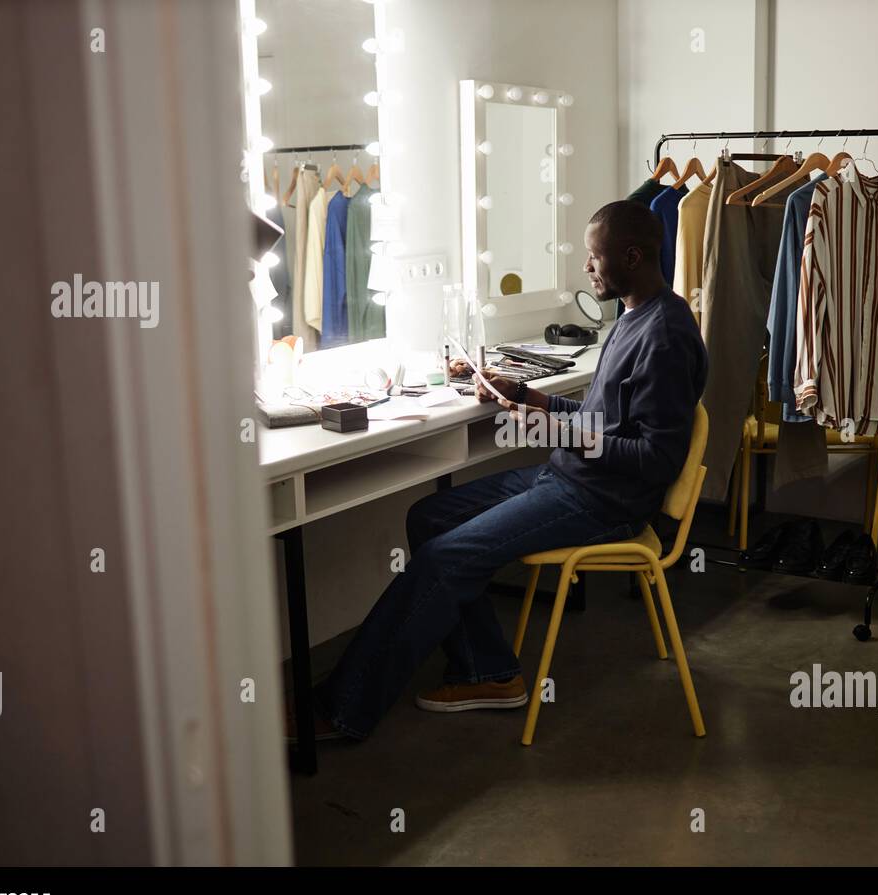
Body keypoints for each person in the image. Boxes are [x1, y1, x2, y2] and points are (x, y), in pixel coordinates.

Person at [288, 200, 708, 741]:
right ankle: (488, 671)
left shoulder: (666, 336)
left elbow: (655, 458)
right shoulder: (632, 317)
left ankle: (340, 708)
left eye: (593, 257)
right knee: (429, 517)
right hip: (571, 478)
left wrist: (555, 432)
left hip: (606, 504)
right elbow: (600, 420)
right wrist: (525, 394)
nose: (586, 268)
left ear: (631, 256)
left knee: (445, 556)